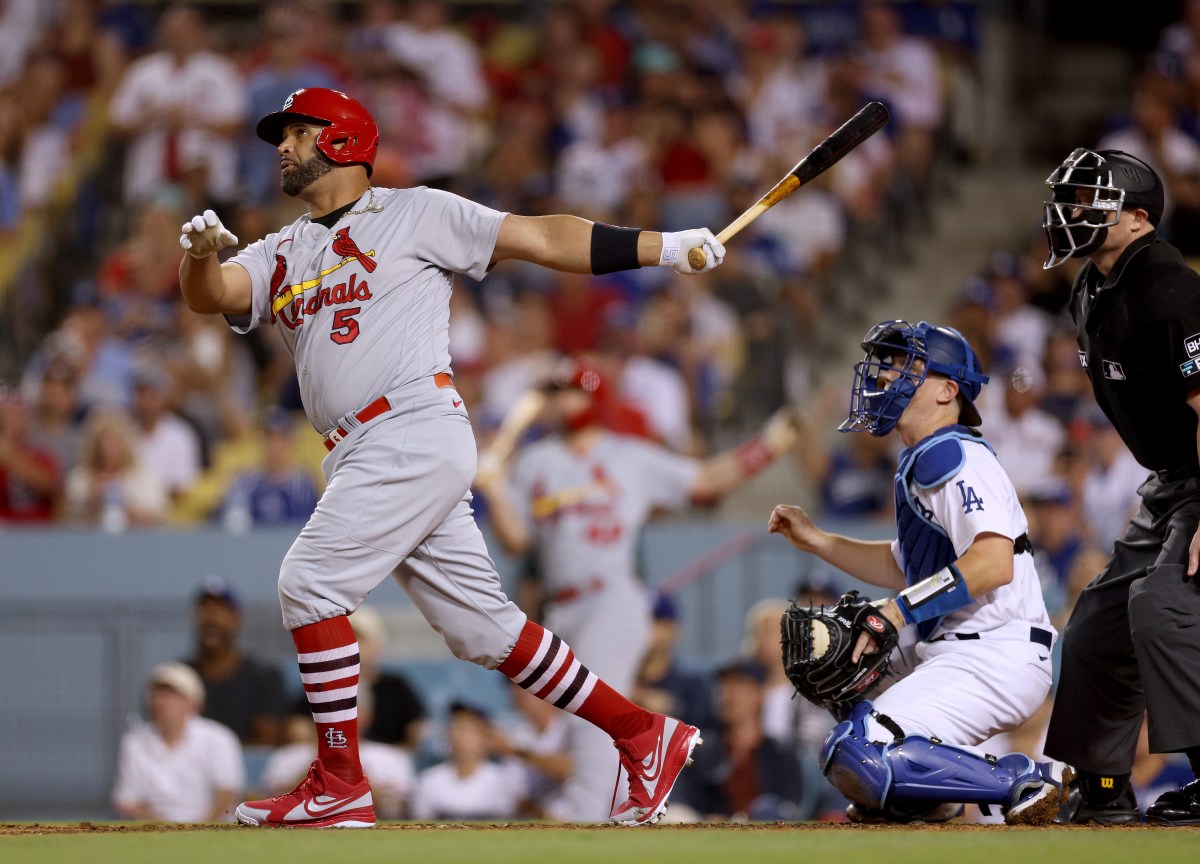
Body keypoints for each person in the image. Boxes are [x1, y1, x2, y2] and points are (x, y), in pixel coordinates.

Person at [177, 87, 726, 828]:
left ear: (343, 140)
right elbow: (213, 295)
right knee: (484, 630)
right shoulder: (281, 247)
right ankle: (643, 733)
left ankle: (339, 781)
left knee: (309, 584)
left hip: (409, 425)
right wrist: (198, 258)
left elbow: (542, 237)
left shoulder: (415, 212)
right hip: (359, 447)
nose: (283, 146)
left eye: (299, 132)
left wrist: (663, 247)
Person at [767, 319, 1067, 825]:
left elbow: (992, 562)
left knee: (858, 749)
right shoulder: (924, 456)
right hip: (958, 644)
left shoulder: (954, 454)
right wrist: (819, 541)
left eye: (906, 367)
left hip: (996, 651)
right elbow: (905, 565)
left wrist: (898, 611)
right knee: (841, 673)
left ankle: (1022, 780)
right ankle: (926, 795)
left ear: (948, 391)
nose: (887, 376)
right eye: (887, 366)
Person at [475, 357, 801, 820]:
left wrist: (764, 448)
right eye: (557, 393)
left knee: (589, 723)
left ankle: (586, 821)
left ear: (595, 395)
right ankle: (621, 814)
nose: (564, 402)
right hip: (559, 606)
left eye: (572, 392)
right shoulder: (534, 462)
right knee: (580, 720)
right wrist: (494, 490)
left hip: (611, 600)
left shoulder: (628, 456)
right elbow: (516, 541)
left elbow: (704, 482)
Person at [1039, 147, 1200, 826]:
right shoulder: (1091, 287)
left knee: (1163, 606)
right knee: (1094, 630)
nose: (1072, 212)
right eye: (1071, 200)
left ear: (1138, 218)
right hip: (1170, 482)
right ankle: (1103, 789)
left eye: (1090, 201)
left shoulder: (1169, 285)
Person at [111, 661, 244, 823]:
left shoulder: (220, 738)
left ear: (194, 702)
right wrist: (168, 827)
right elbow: (127, 802)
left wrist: (202, 827)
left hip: (212, 829)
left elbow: (227, 794)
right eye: (156, 694)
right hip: (156, 831)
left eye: (170, 694)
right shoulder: (133, 742)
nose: (159, 702)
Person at [183, 575, 289, 747]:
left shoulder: (263, 676)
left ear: (237, 620)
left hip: (247, 763)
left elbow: (266, 741)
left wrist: (220, 754)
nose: (211, 617)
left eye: (221, 609)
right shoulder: (181, 677)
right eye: (205, 609)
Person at [410, 702, 519, 821]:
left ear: (485, 737)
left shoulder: (504, 781)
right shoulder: (429, 781)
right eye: (454, 728)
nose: (456, 735)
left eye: (465, 729)